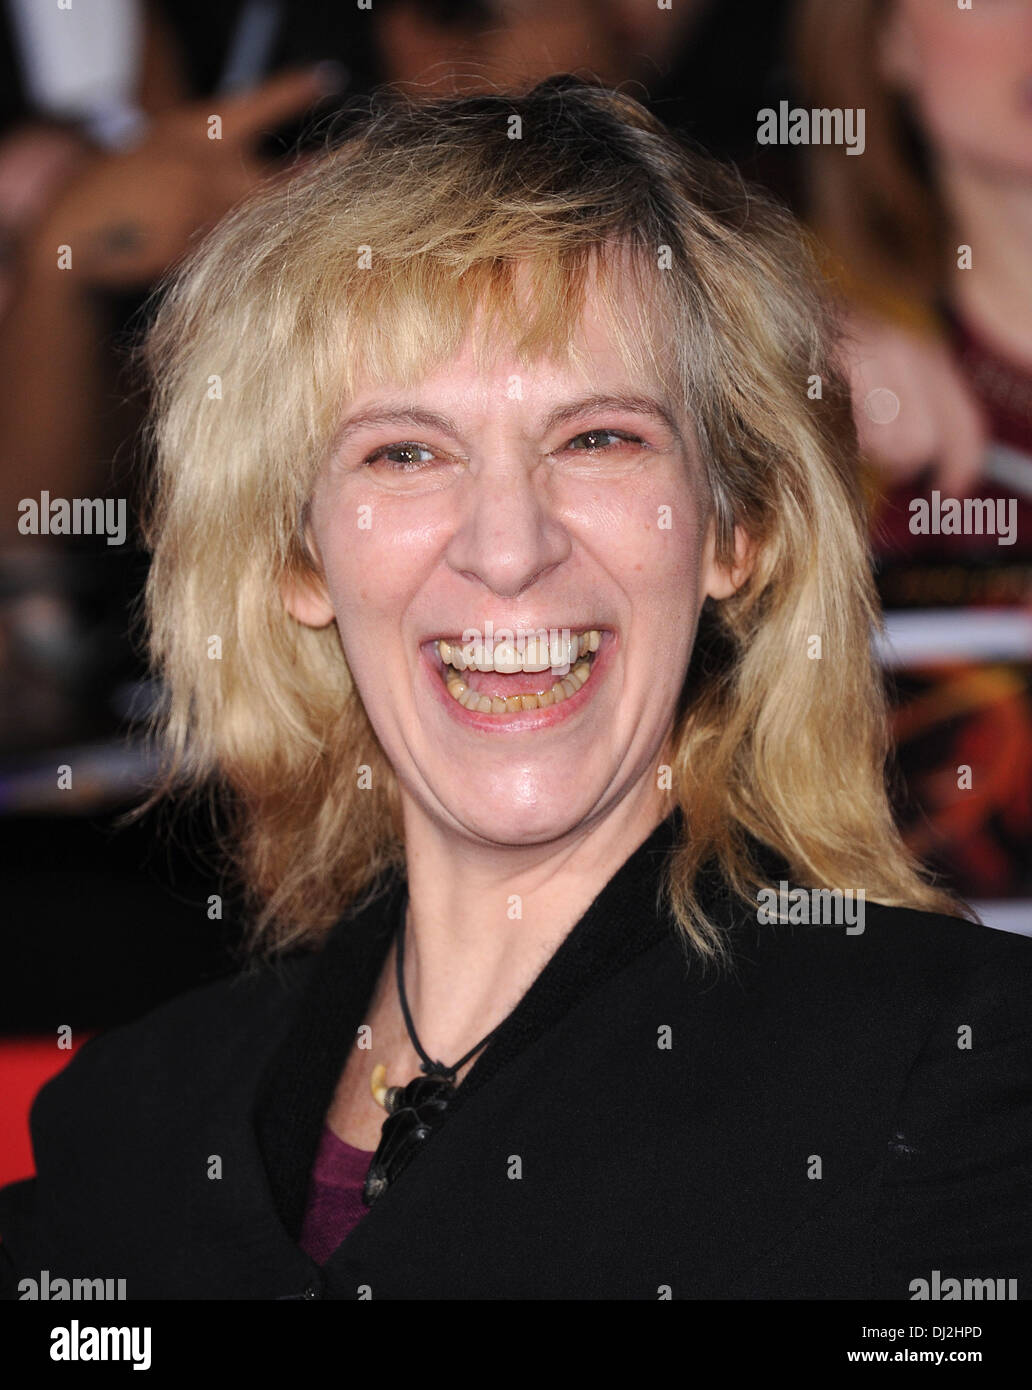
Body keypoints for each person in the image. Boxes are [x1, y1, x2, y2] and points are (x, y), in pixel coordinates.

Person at [1, 77, 1030, 1301]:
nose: (506, 546)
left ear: (735, 530)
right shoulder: (125, 1133)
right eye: (406, 451)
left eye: (598, 438)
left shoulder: (950, 1073)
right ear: (295, 555)